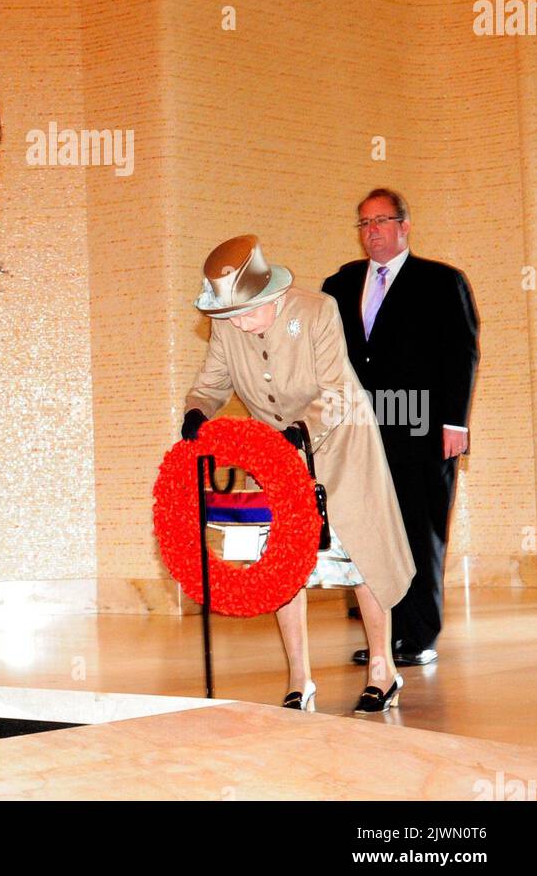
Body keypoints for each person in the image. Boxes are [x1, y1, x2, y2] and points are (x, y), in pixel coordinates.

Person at [183, 235, 415, 714]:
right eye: (229, 317)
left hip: (342, 443)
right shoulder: (230, 327)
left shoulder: (317, 311)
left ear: (272, 296)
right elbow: (210, 385)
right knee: (285, 565)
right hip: (279, 454)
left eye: (246, 314)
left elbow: (335, 389)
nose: (239, 326)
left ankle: (382, 670)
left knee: (361, 556)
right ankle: (299, 678)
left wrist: (300, 430)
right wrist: (195, 412)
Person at [322, 188, 479, 667]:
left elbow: (462, 352)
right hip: (360, 431)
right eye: (365, 224)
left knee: (418, 527)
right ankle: (381, 637)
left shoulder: (441, 281)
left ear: (404, 226)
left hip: (423, 428)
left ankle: (418, 635)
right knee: (368, 530)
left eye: (382, 221)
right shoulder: (341, 283)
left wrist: (455, 422)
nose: (372, 232)